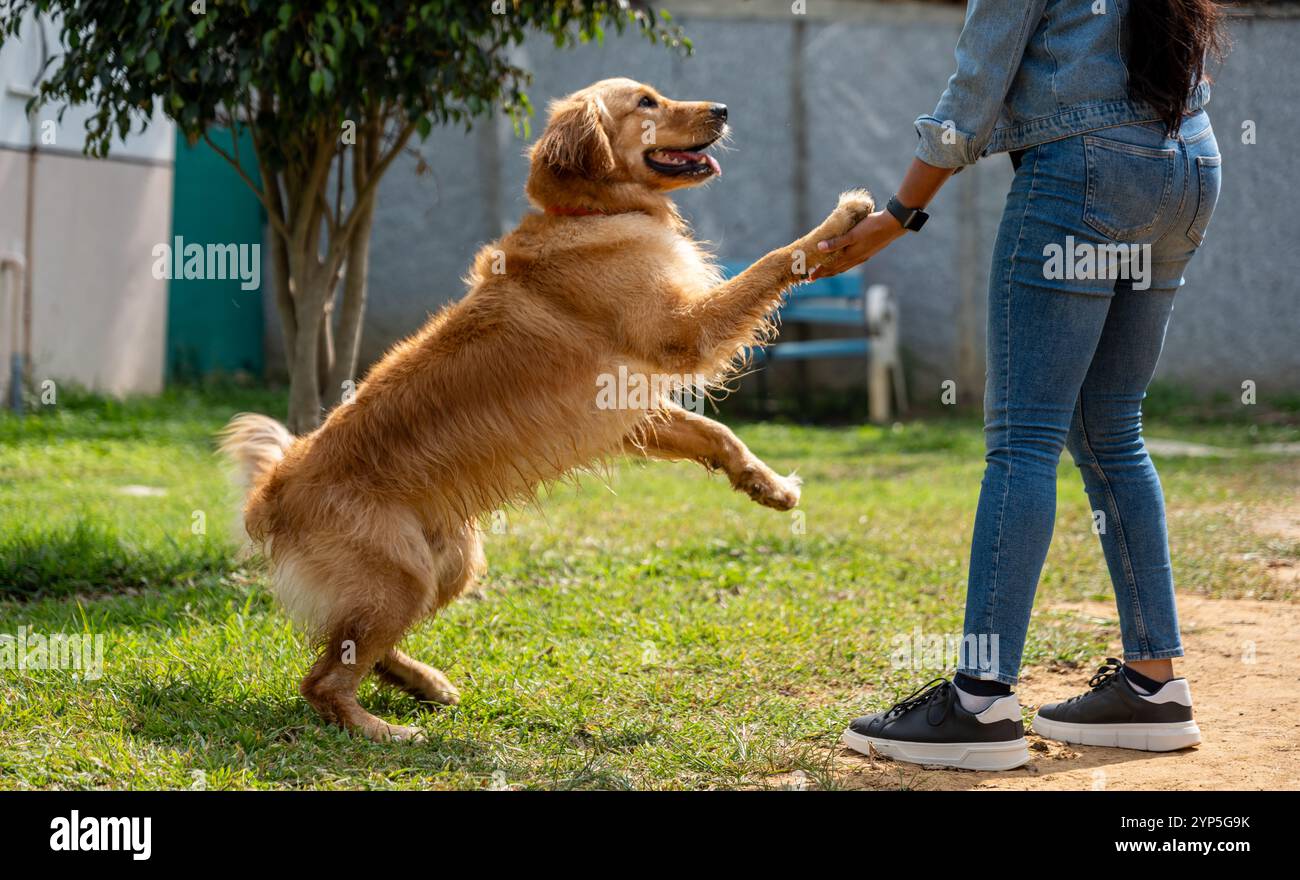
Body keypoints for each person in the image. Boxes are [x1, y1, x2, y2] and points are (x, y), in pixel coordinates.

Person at [824, 0, 1226, 771]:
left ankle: (979, 702)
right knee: (1113, 429)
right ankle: (1153, 685)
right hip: (1188, 164)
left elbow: (975, 90)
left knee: (1023, 439)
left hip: (1085, 175)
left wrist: (900, 212)